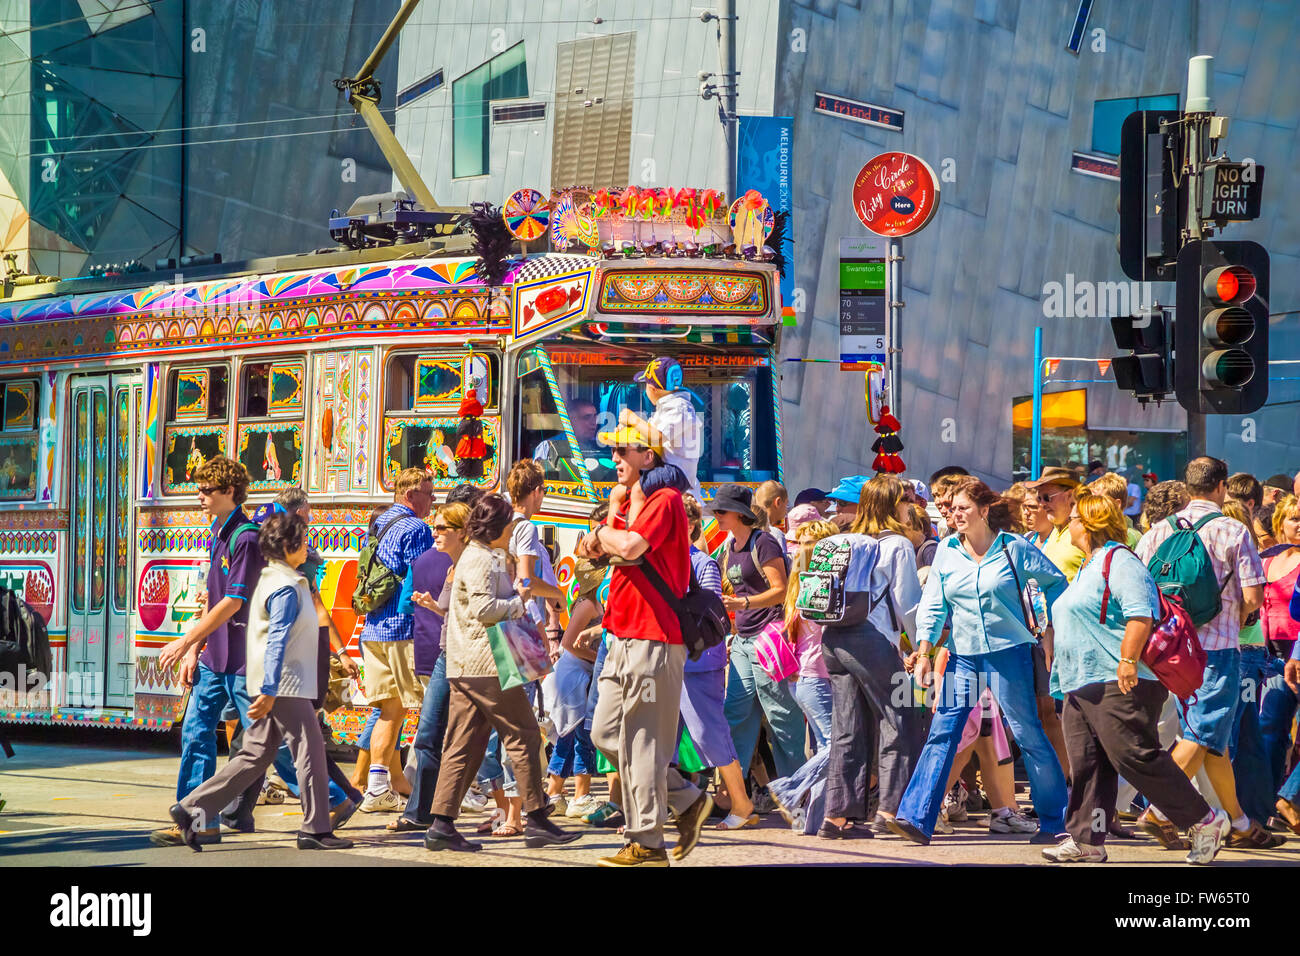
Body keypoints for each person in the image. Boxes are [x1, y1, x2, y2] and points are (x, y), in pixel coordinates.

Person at [152, 457, 349, 846]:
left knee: (267, 747)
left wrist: (187, 639)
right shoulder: (218, 532)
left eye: (207, 490)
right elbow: (213, 595)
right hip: (217, 656)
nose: (200, 496)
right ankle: (198, 817)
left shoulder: (243, 537)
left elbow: (233, 602)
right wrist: (197, 648)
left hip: (244, 660)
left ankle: (330, 801)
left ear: (229, 491)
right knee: (203, 734)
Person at [1042, 492, 1230, 864]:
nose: (1070, 523)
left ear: (1090, 523)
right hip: (1081, 681)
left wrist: (1127, 660)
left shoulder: (1119, 559)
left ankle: (1205, 820)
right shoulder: (1089, 564)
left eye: (1076, 517)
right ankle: (1087, 840)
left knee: (1134, 756)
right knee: (1088, 764)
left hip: (1119, 678)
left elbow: (1140, 614)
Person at [890, 478, 1070, 846]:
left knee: (1028, 734)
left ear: (984, 510)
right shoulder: (946, 551)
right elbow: (934, 605)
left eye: (963, 508)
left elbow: (1056, 583)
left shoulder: (1014, 548)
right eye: (951, 509)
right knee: (943, 732)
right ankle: (916, 817)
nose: (955, 515)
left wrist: (1051, 627)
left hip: (1010, 652)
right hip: (963, 655)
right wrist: (923, 652)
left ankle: (1054, 821)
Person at [578, 427, 713, 867]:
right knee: (606, 733)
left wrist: (603, 534)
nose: (614, 456)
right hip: (621, 635)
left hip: (654, 637)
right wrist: (607, 530)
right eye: (612, 449)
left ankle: (648, 842)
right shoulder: (630, 503)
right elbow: (594, 554)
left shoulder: (665, 500)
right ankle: (687, 799)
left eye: (623, 449)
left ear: (649, 456)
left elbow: (630, 548)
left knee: (642, 742)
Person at [1134, 457, 1281, 850]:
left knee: (1212, 738)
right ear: (1221, 487)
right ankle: (1159, 810)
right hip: (1217, 650)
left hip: (1169, 651)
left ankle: (1239, 823)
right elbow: (1253, 596)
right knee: (1201, 735)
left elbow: (1142, 591)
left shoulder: (1159, 529)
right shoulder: (1234, 530)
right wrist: (1232, 612)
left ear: (1187, 485)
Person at [423, 494, 579, 852]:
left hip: (466, 665)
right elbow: (484, 608)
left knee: (464, 745)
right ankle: (538, 818)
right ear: (497, 527)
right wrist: (520, 600)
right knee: (523, 734)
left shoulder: (477, 555)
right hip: (487, 664)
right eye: (510, 524)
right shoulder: (484, 558)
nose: (513, 529)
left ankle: (441, 823)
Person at [821, 475, 926, 838]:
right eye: (905, 501)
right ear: (892, 505)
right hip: (874, 642)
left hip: (833, 640)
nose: (910, 506)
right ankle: (888, 811)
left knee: (846, 728)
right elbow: (908, 604)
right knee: (902, 717)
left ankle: (837, 816)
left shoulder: (843, 540)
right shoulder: (896, 544)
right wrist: (921, 646)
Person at [713, 483, 805, 789]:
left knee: (780, 716)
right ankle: (734, 794)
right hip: (742, 639)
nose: (716, 515)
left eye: (721, 511)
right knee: (735, 715)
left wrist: (744, 603)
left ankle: (798, 790)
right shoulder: (731, 546)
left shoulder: (762, 542)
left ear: (739, 514)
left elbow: (780, 591)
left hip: (768, 638)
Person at [386, 499, 469, 832]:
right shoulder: (450, 566)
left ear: (462, 532)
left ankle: (527, 811)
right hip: (446, 655)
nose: (432, 532)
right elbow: (454, 614)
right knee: (428, 734)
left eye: (441, 527)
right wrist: (434, 607)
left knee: (503, 740)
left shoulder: (478, 564)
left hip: (474, 661)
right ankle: (421, 813)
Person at [357, 467, 436, 812]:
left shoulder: (378, 523)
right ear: (411, 495)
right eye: (429, 493)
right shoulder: (416, 528)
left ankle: (378, 785)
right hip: (402, 629)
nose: (433, 500)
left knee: (387, 709)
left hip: (372, 627)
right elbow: (422, 577)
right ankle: (381, 786)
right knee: (400, 709)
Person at [678, 494, 757, 830]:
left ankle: (741, 803)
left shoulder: (702, 564)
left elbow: (708, 617)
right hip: (673, 662)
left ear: (690, 525)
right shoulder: (672, 562)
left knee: (709, 734)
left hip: (697, 663)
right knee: (665, 739)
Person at [617, 355, 705, 502]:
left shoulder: (679, 407)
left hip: (677, 472)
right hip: (667, 468)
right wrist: (627, 429)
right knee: (621, 491)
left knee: (638, 490)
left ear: (652, 388)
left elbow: (657, 437)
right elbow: (647, 434)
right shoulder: (668, 408)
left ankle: (637, 525)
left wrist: (633, 419)